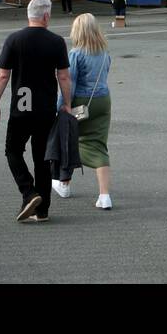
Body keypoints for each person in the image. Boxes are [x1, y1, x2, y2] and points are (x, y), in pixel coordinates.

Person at [0, 0, 73, 223]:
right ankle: (42, 210)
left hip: (21, 107)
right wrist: (67, 103)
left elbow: (3, 74)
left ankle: (28, 192)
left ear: (29, 15)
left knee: (13, 150)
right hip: (45, 109)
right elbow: (63, 76)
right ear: (46, 16)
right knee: (42, 159)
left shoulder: (14, 40)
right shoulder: (56, 42)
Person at [52, 13, 114, 208]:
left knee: (68, 139)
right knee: (98, 144)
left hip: (81, 101)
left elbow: (69, 82)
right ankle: (105, 196)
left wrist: (61, 106)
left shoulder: (76, 53)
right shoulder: (105, 52)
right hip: (103, 101)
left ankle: (64, 184)